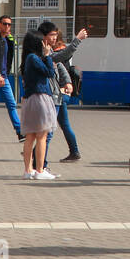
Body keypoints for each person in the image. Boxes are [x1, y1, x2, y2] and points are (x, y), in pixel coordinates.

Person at [19, 29, 59, 180]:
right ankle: (39, 170)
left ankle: (28, 170)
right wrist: (47, 56)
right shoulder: (34, 58)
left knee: (30, 136)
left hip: (30, 99)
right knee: (42, 135)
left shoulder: (28, 58)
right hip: (40, 98)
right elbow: (50, 72)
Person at [46, 25, 87, 163]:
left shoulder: (58, 51)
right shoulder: (53, 50)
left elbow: (61, 64)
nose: (53, 38)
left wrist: (77, 40)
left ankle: (36, 152)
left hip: (59, 92)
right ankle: (74, 151)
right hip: (62, 91)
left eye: (54, 35)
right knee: (63, 124)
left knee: (49, 126)